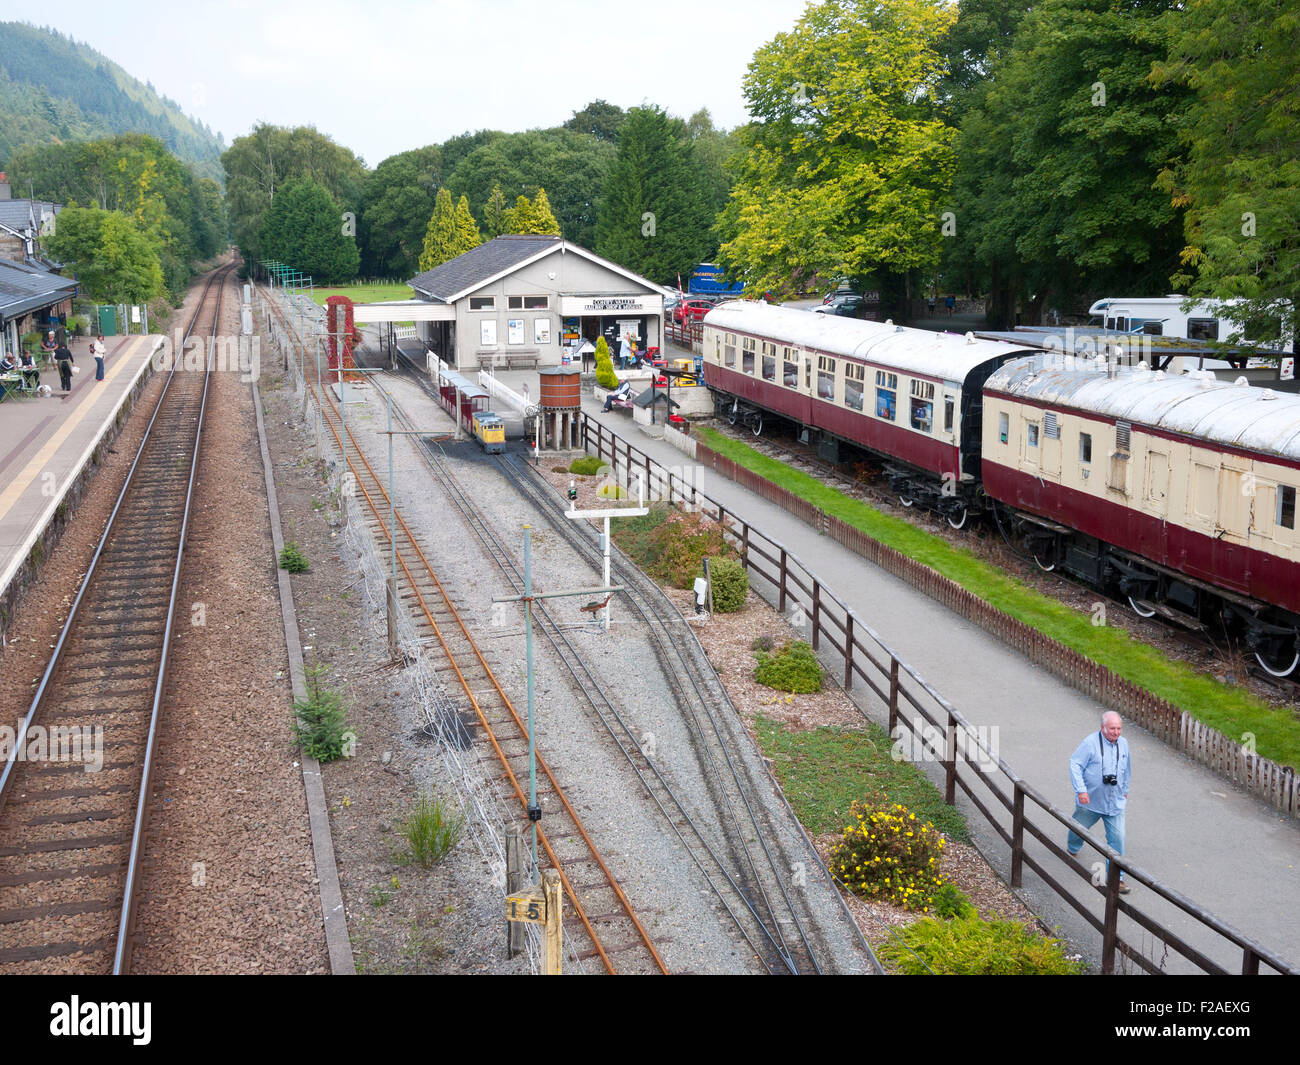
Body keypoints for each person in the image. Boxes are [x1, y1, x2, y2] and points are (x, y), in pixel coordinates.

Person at [1067, 711, 1132, 893]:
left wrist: (1125, 790)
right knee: (1078, 829)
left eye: (1119, 728)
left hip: (1115, 804)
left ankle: (1115, 879)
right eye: (1112, 728)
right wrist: (1081, 790)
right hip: (1091, 801)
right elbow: (1075, 764)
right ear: (1102, 728)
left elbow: (1127, 769)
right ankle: (1072, 848)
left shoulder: (1124, 744)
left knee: (1117, 839)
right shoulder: (1090, 743)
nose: (1116, 732)